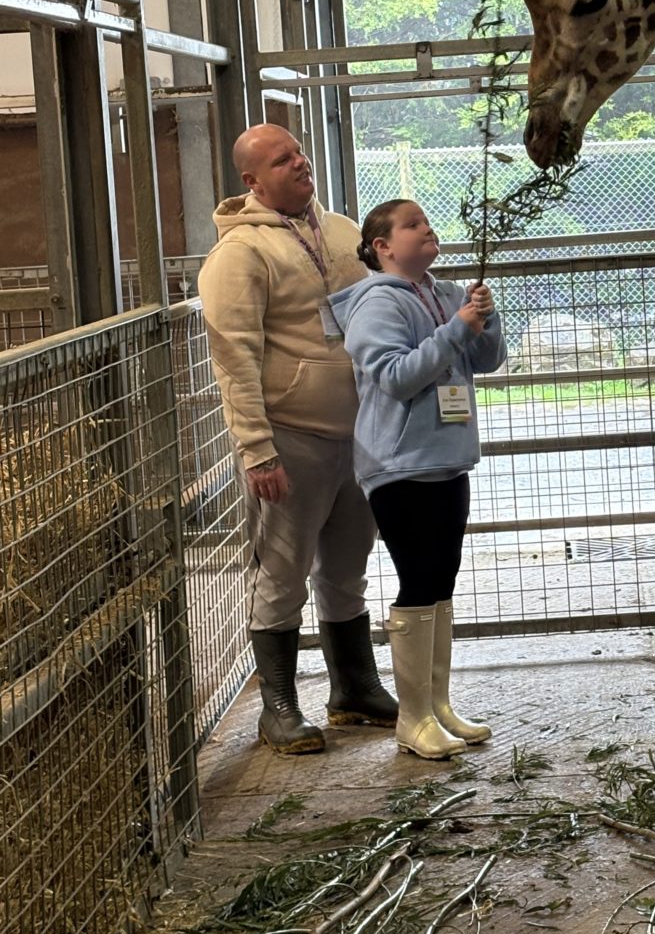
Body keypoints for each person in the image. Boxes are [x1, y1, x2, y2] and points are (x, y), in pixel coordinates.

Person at [198, 124, 398, 755]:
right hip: (293, 438)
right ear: (252, 181)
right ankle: (278, 707)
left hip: (359, 432)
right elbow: (234, 358)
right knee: (282, 572)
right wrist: (256, 449)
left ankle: (354, 688)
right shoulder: (238, 256)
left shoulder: (340, 231)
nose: (300, 162)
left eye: (301, 152)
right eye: (282, 160)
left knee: (347, 568)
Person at [328, 199, 506, 761]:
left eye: (428, 221)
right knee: (419, 577)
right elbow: (395, 377)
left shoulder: (443, 291)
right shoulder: (376, 303)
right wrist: (455, 329)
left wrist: (483, 316)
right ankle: (412, 718)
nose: (426, 229)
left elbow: (488, 360)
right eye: (412, 225)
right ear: (382, 246)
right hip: (400, 465)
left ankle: (438, 705)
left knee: (442, 580)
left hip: (448, 457)